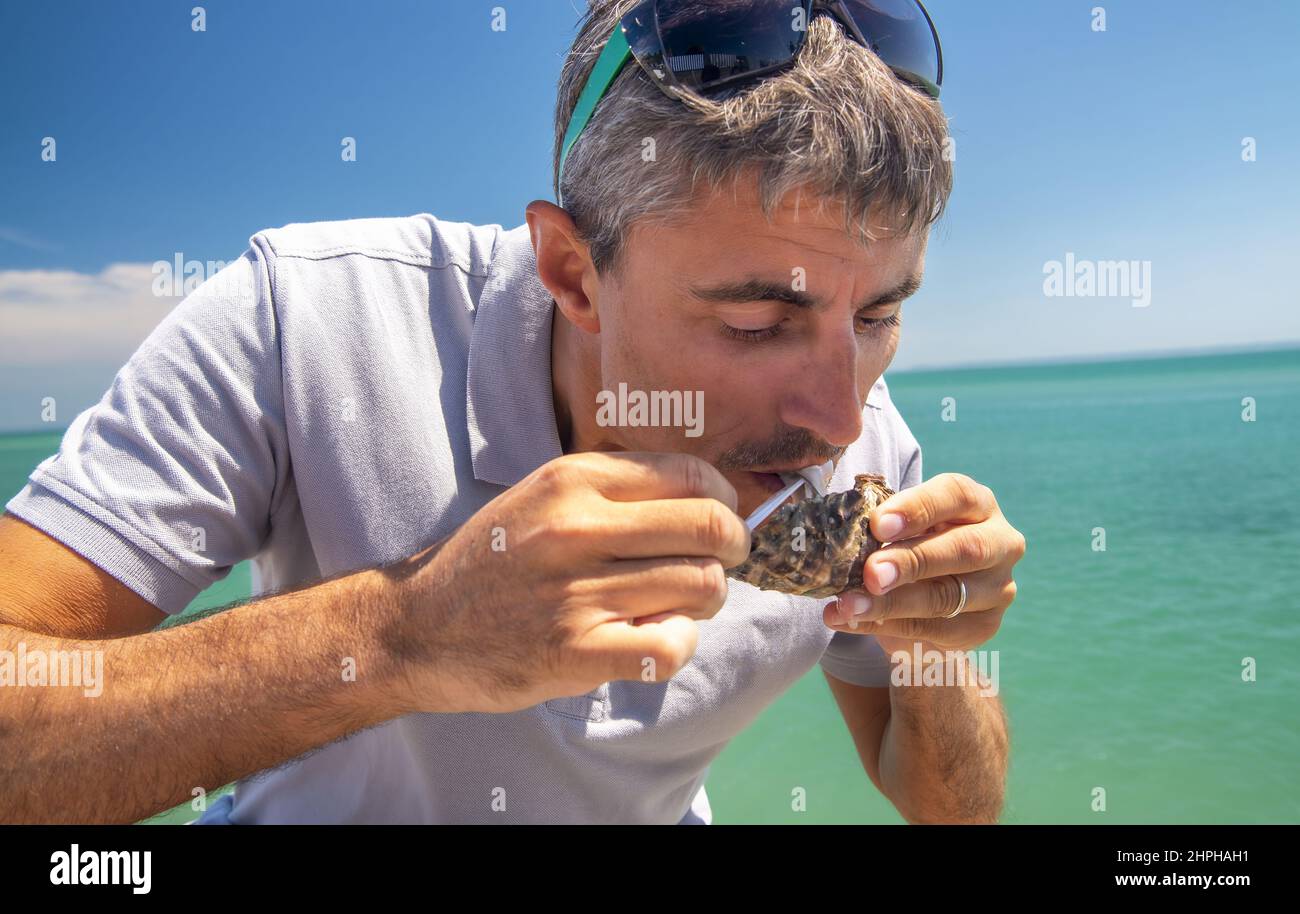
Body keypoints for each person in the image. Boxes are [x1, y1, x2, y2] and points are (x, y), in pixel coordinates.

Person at [0, 0, 1023, 824]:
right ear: (571, 272)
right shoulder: (311, 319)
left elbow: (950, 808)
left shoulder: (862, 435)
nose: (840, 417)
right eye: (758, 322)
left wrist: (936, 644)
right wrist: (406, 634)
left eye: (881, 312)